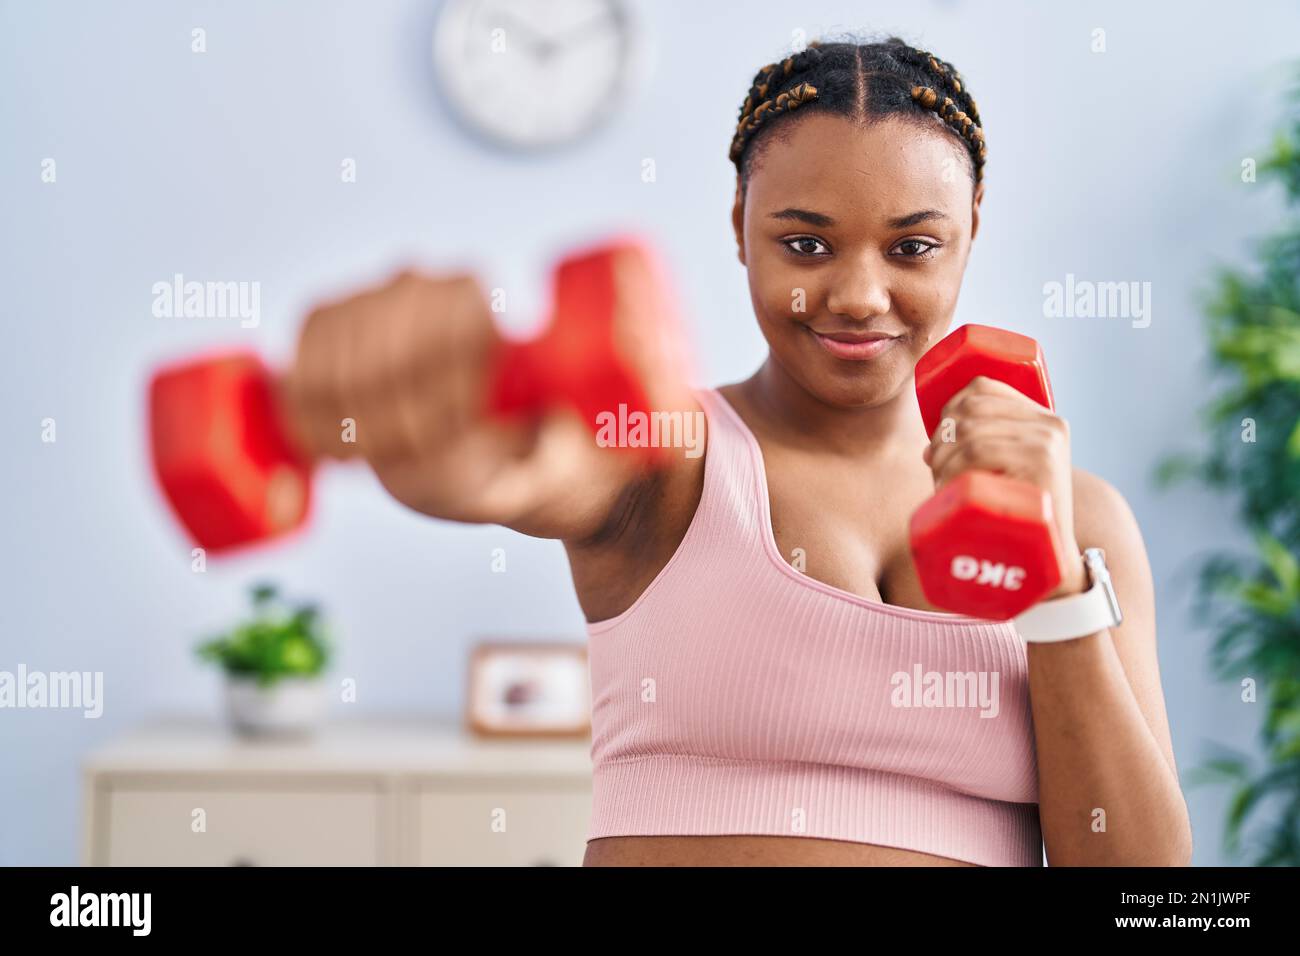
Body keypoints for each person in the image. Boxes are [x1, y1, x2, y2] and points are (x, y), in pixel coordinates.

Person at [282, 35, 1192, 867]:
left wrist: (1056, 587)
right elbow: (521, 466)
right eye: (804, 244)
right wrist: (436, 433)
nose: (858, 296)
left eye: (913, 246)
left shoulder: (1085, 518)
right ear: (738, 227)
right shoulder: (671, 456)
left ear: (972, 232)